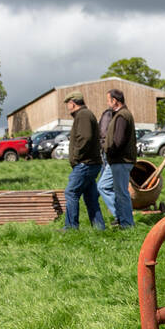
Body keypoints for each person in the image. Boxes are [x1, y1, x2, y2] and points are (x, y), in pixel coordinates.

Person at [63, 92, 105, 230]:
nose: (67, 107)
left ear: (73, 103)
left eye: (68, 103)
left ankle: (71, 228)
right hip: (91, 163)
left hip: (85, 164)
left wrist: (76, 157)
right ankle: (99, 228)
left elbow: (85, 138)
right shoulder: (85, 114)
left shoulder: (83, 115)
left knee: (71, 192)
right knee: (91, 197)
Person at [96, 88, 136, 228]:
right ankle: (120, 217)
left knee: (122, 193)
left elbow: (118, 141)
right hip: (117, 161)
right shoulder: (120, 114)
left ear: (115, 100)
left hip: (121, 161)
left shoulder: (122, 116)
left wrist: (109, 152)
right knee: (103, 186)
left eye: (108, 100)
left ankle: (127, 223)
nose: (107, 103)